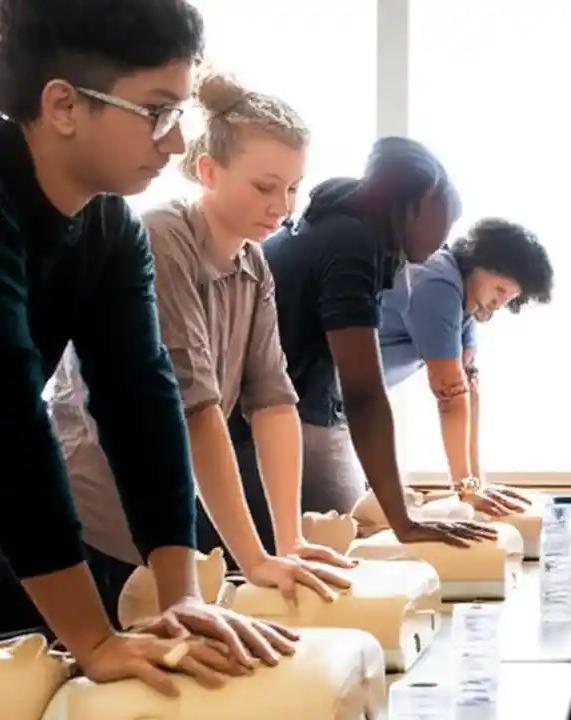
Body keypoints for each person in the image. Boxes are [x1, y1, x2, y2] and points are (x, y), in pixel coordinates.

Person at [0, 0, 297, 696]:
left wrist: (181, 593)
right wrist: (95, 639)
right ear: (64, 105)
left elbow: (145, 404)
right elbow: (9, 420)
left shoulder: (111, 232)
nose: (173, 144)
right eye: (158, 112)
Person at [48, 70, 355, 625]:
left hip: (157, 508)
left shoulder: (253, 263)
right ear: (209, 171)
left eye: (292, 187)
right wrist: (253, 557)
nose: (282, 206)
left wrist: (289, 539)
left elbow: (273, 401)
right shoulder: (161, 238)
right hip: (87, 506)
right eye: (265, 187)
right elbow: (195, 410)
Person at [261, 136, 497, 547]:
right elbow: (364, 392)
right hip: (277, 425)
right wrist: (404, 522)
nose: (445, 239)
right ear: (422, 198)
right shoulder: (352, 241)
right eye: (446, 220)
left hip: (288, 416)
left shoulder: (342, 226)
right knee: (340, 551)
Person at [380, 217, 553, 514]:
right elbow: (450, 395)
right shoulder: (438, 284)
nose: (500, 303)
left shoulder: (469, 302)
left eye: (510, 297)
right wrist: (466, 489)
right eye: (499, 290)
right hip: (316, 391)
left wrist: (476, 485)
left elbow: (468, 388)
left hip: (343, 401)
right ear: (478, 264)